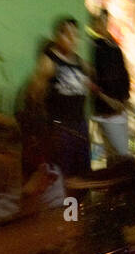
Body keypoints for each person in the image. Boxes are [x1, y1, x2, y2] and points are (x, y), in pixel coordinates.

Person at [25, 17, 91, 178]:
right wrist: (42, 127)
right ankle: (63, 203)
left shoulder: (80, 63)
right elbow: (33, 94)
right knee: (62, 176)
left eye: (75, 35)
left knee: (81, 175)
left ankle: (76, 203)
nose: (72, 39)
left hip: (79, 126)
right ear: (58, 37)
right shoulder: (49, 62)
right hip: (60, 129)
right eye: (67, 35)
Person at [89, 9, 131, 159]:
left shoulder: (111, 46)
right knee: (121, 153)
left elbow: (123, 74)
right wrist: (108, 99)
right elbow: (95, 77)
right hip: (107, 108)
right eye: (100, 20)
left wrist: (124, 100)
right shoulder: (95, 47)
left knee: (116, 153)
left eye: (105, 20)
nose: (103, 24)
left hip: (116, 106)